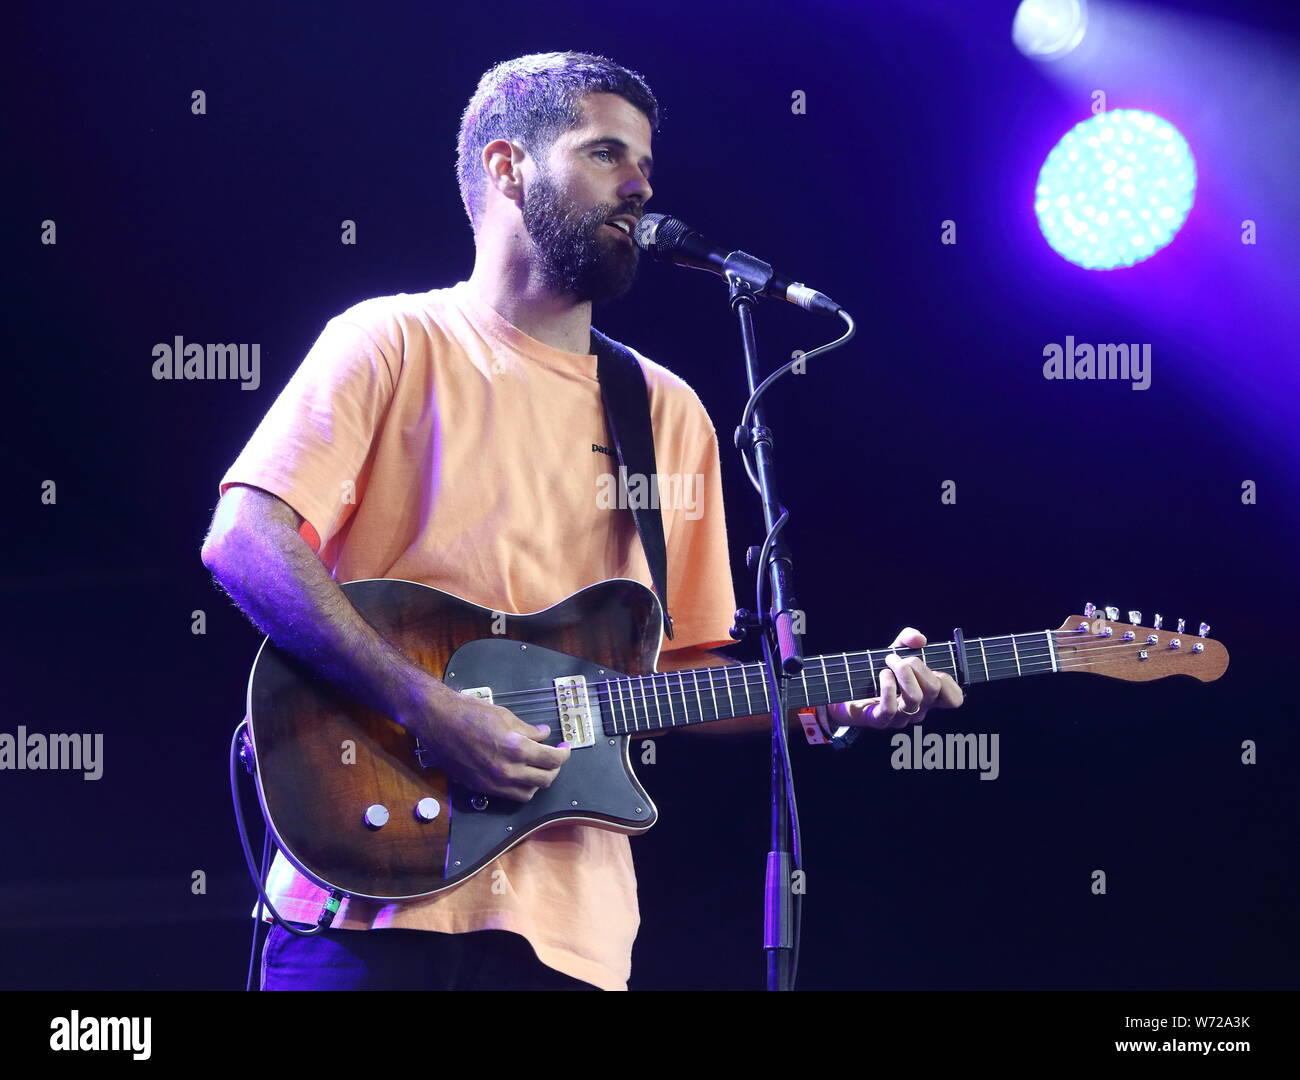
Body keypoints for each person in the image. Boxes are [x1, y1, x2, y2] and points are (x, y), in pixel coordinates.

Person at [200, 51, 963, 992]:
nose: (640, 185)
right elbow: (245, 538)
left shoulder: (666, 409)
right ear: (508, 167)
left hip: (571, 940)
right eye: (606, 154)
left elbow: (681, 672)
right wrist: (429, 709)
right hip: (369, 896)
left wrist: (828, 699)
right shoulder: (391, 341)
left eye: (645, 163)